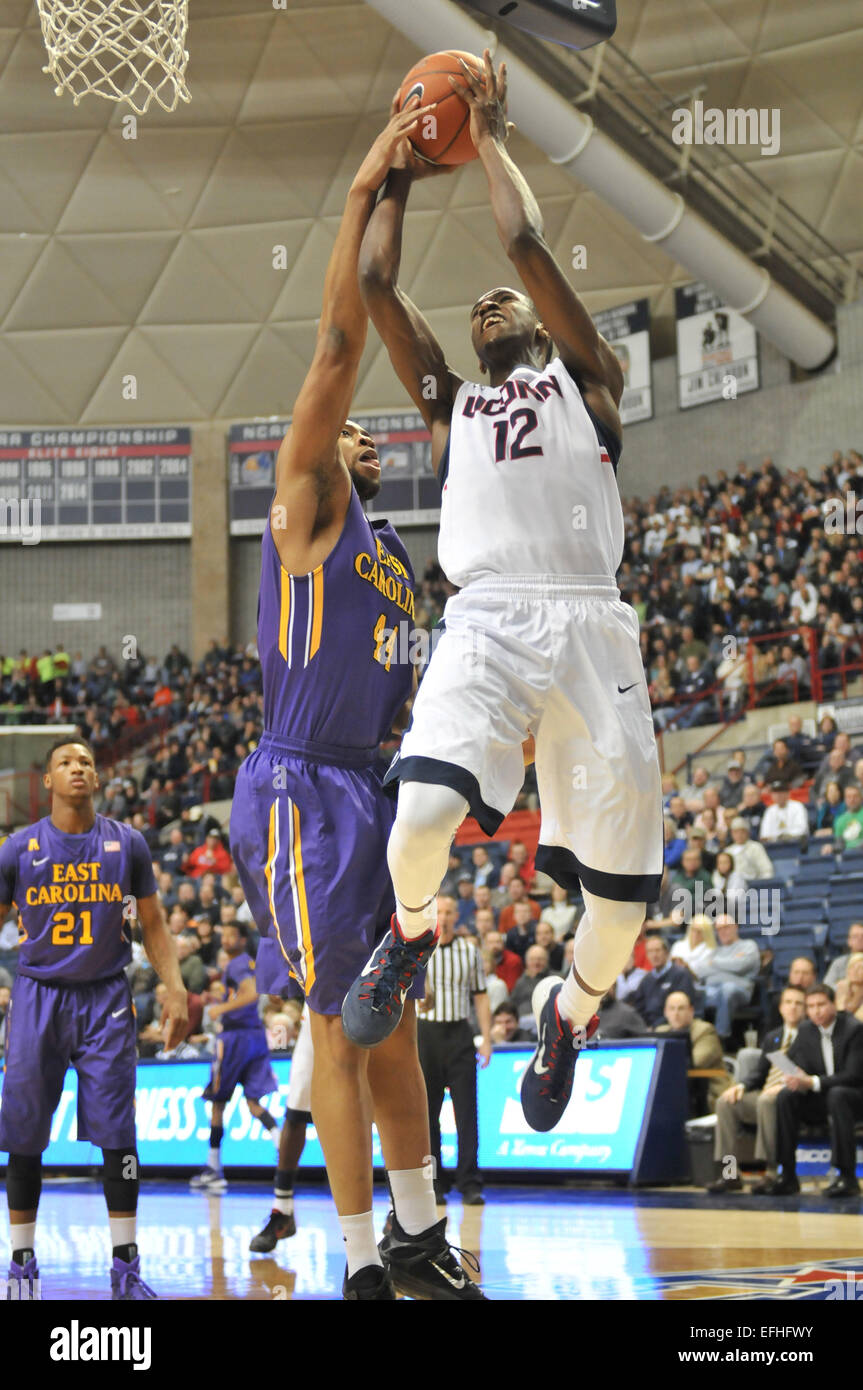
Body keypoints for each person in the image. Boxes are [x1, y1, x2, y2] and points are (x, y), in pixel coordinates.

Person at [344, 48, 663, 1138]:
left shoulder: (589, 383)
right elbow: (378, 285)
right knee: (418, 815)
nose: (486, 303)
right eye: (475, 308)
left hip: (587, 619)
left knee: (619, 910)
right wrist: (392, 167)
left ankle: (565, 1014)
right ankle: (413, 929)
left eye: (499, 306)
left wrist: (480, 134)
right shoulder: (448, 411)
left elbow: (521, 243)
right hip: (483, 617)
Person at [227, 100, 484, 1301]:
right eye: (342, 434)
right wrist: (372, 189)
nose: (354, 434)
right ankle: (357, 1259)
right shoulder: (303, 506)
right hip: (294, 786)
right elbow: (337, 343)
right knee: (338, 1023)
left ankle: (422, 1231)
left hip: (365, 788)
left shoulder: (384, 544)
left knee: (391, 1022)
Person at [0, 739, 188, 1300]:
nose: (77, 768)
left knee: (119, 1137)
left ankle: (125, 1265)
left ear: (98, 778)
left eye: (85, 761)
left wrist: (174, 987)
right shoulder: (18, 847)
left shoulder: (126, 843)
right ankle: (21, 1263)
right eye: (64, 762)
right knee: (25, 1132)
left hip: (106, 996)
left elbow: (153, 924)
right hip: (38, 995)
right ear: (48, 781)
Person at [189, 922, 280, 1189]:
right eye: (224, 934)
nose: (226, 939)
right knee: (253, 1103)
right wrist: (217, 1001)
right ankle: (280, 1143)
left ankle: (214, 1169)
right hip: (255, 1036)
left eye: (232, 935)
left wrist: (221, 1009)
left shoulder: (238, 963)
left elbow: (251, 994)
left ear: (242, 939)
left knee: (218, 1103)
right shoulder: (248, 963)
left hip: (234, 1039)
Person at [416, 897, 490, 1206]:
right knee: (427, 1115)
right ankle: (434, 1183)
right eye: (439, 912)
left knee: (466, 1113)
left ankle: (469, 1182)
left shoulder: (469, 951)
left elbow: (481, 995)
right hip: (426, 1035)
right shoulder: (419, 951)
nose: (443, 917)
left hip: (459, 1034)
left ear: (457, 916)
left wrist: (486, 1038)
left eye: (448, 912)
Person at [707, 985, 806, 1194]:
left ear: (805, 1009)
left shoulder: (810, 1035)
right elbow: (759, 1074)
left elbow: (810, 1070)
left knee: (766, 1101)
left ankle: (771, 1173)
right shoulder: (773, 1037)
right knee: (725, 1102)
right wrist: (740, 1086)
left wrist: (781, 1087)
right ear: (780, 1008)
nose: (793, 1008)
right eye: (788, 1002)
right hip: (766, 1094)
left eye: (799, 1003)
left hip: (792, 1097)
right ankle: (730, 1173)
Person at [768, 984, 863, 1197]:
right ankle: (787, 1175)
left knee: (838, 1094)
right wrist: (794, 1076)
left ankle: (846, 1176)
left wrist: (811, 1082)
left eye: (821, 1005)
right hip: (823, 1097)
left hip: (854, 1097)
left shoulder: (853, 1029)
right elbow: (792, 1061)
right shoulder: (806, 1030)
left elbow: (854, 1075)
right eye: (810, 1006)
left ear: (833, 1005)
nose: (816, 1011)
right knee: (786, 1097)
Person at [250, 979, 314, 1253]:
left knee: (378, 1108)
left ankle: (398, 1212)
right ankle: (282, 1209)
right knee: (296, 1111)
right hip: (319, 1004)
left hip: (374, 996)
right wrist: (280, 981)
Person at [655, 991, 730, 1113]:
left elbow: (695, 1063)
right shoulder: (660, 1031)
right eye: (672, 1009)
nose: (676, 1014)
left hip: (708, 1093)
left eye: (681, 1008)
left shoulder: (705, 1030)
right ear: (665, 1012)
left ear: (691, 1011)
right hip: (674, 1090)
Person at [702, 915, 761, 1040]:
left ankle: (720, 1038)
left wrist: (715, 963)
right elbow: (702, 971)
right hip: (711, 990)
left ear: (736, 927)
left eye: (726, 927)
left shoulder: (748, 945)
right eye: (719, 929)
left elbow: (740, 966)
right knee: (691, 992)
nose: (722, 931)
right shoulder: (714, 951)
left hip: (739, 990)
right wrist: (730, 963)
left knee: (727, 989)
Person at [631, 934, 694, 1027]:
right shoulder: (646, 980)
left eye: (657, 950)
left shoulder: (681, 974)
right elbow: (639, 1009)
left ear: (666, 952)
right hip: (648, 1028)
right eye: (650, 952)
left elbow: (682, 1008)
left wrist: (655, 1027)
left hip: (673, 1025)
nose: (654, 955)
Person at [825, 923, 863, 989]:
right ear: (849, 941)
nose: (860, 939)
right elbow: (827, 986)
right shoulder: (839, 963)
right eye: (855, 936)